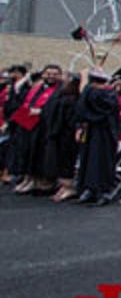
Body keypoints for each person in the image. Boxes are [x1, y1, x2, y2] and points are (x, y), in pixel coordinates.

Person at [11, 65, 62, 194]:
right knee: (26, 151)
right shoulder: (37, 87)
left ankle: (37, 180)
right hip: (29, 124)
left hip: (44, 127)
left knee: (38, 154)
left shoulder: (60, 90)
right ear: (43, 74)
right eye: (48, 73)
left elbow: (56, 108)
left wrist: (41, 111)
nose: (51, 76)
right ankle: (28, 178)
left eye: (55, 74)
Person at [75, 68, 120, 206]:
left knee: (100, 161)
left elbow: (92, 104)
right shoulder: (103, 94)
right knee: (88, 160)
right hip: (91, 132)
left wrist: (85, 85)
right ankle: (89, 189)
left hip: (104, 133)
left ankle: (102, 191)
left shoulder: (107, 95)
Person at [38, 73, 81, 202]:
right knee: (61, 161)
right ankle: (63, 186)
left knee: (67, 162)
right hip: (59, 133)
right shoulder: (62, 96)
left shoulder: (73, 99)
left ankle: (69, 187)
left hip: (67, 134)